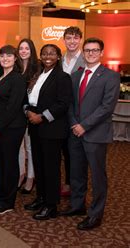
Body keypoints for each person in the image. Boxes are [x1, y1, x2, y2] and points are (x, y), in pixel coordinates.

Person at [62, 38, 120, 230]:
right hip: (75, 133)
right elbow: (70, 104)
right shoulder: (75, 77)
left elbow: (107, 107)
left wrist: (84, 126)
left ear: (101, 53)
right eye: (87, 50)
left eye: (95, 50)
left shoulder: (110, 76)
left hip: (95, 134)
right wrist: (74, 124)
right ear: (83, 52)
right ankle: (78, 206)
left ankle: (96, 214)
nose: (91, 53)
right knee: (76, 174)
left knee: (97, 176)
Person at [23, 44, 72, 220]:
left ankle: (51, 205)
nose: (47, 56)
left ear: (58, 56)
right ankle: (41, 198)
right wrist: (27, 111)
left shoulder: (62, 77)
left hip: (51, 128)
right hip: (35, 126)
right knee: (39, 165)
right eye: (44, 54)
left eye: (51, 53)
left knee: (51, 168)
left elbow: (63, 104)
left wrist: (42, 117)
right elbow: (29, 98)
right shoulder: (38, 75)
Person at [0, 45, 26, 215]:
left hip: (12, 128)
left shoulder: (18, 79)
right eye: (2, 56)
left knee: (9, 164)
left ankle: (8, 201)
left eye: (9, 55)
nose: (5, 58)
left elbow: (13, 106)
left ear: (15, 58)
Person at [60, 26, 86, 197]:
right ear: (64, 40)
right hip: (60, 113)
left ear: (80, 40)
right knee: (62, 150)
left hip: (78, 113)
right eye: (69, 38)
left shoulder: (86, 59)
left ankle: (74, 187)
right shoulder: (59, 59)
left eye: (75, 38)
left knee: (76, 153)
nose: (72, 41)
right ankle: (67, 182)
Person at [17, 38, 40, 194]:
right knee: (18, 147)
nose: (23, 51)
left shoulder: (37, 68)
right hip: (16, 113)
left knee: (30, 147)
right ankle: (21, 173)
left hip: (30, 112)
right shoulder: (15, 68)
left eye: (27, 48)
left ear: (31, 50)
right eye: (21, 48)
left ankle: (31, 177)